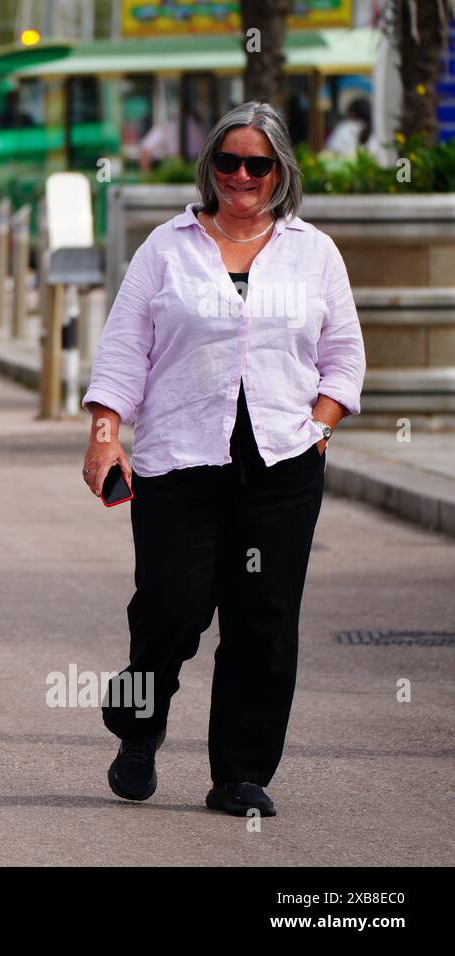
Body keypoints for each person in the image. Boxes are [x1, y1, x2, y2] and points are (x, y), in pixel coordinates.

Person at [82, 101, 365, 817]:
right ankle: (139, 729)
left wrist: (320, 427)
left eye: (257, 164)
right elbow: (123, 350)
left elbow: (344, 357)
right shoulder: (166, 247)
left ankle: (239, 774)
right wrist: (106, 432)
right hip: (181, 459)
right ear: (210, 166)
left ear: (280, 173)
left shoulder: (314, 252)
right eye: (229, 162)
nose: (241, 176)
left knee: (263, 621)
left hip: (282, 462)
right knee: (172, 609)